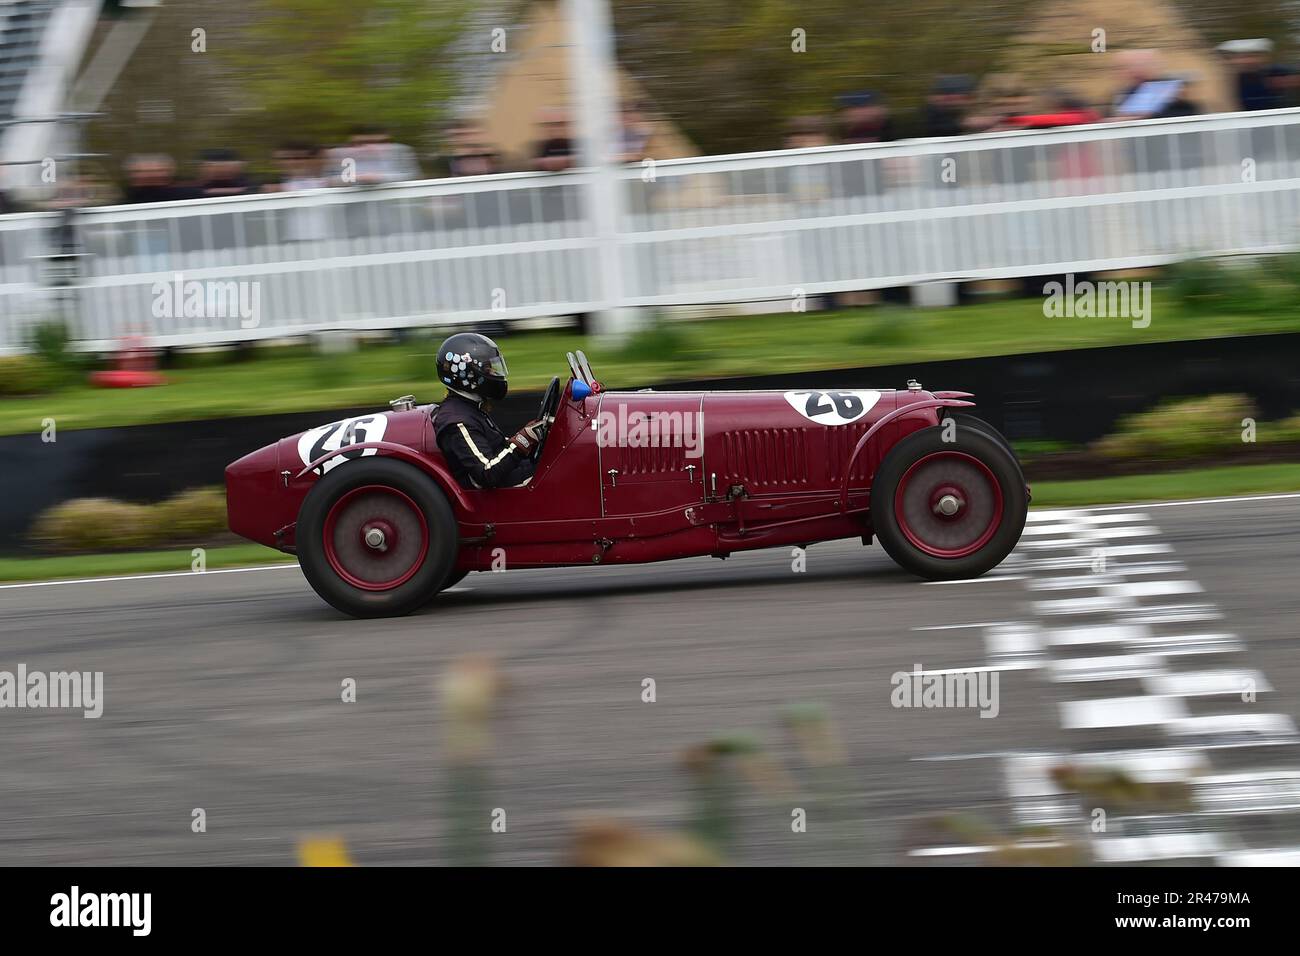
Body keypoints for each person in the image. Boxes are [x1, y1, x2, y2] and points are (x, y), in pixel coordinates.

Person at [430, 332, 546, 489]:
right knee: (564, 471)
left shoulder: (470, 407)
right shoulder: (457, 421)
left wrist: (529, 439)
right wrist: (521, 442)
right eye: (488, 369)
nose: (494, 373)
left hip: (511, 476)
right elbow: (487, 473)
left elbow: (498, 449)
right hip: (497, 493)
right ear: (467, 373)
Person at [1218, 38, 1284, 111]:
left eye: (1253, 56)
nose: (1246, 61)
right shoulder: (1222, 83)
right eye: (1241, 57)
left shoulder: (1278, 75)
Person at [122, 154, 195, 203]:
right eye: (139, 171)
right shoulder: (127, 201)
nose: (149, 175)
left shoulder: (188, 194)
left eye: (158, 170)